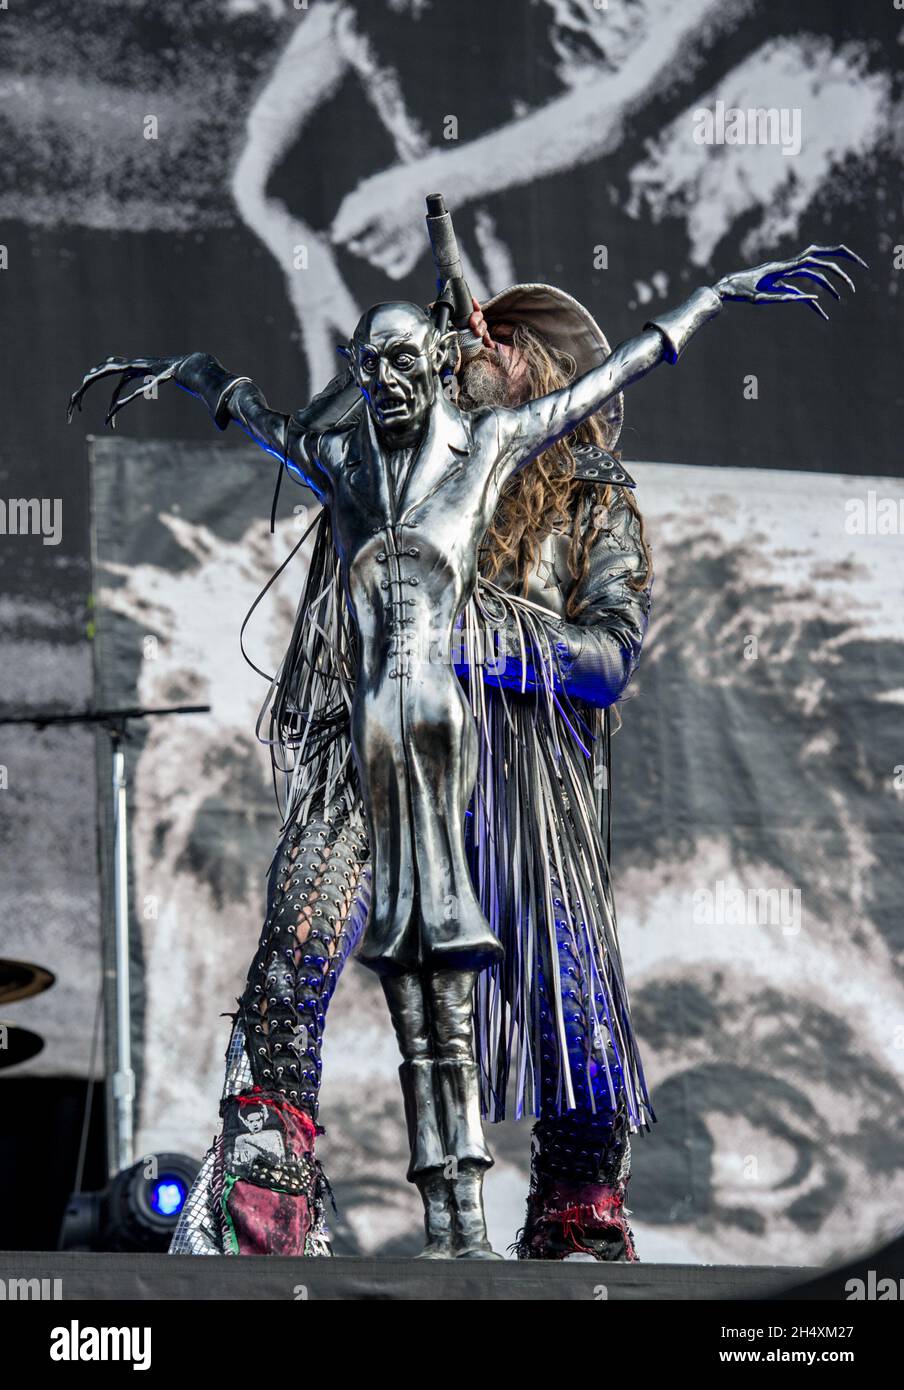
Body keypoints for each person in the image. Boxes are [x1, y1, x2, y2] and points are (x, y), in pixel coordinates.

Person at [68, 242, 859, 1260]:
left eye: (509, 335)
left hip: (519, 768)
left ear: (548, 372)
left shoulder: (587, 488)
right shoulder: (400, 458)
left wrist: (487, 631)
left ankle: (577, 1200)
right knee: (304, 924)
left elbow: (610, 656)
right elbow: (317, 416)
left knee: (566, 979)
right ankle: (267, 1170)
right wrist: (207, 371)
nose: (484, 339)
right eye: (475, 329)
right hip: (384, 746)